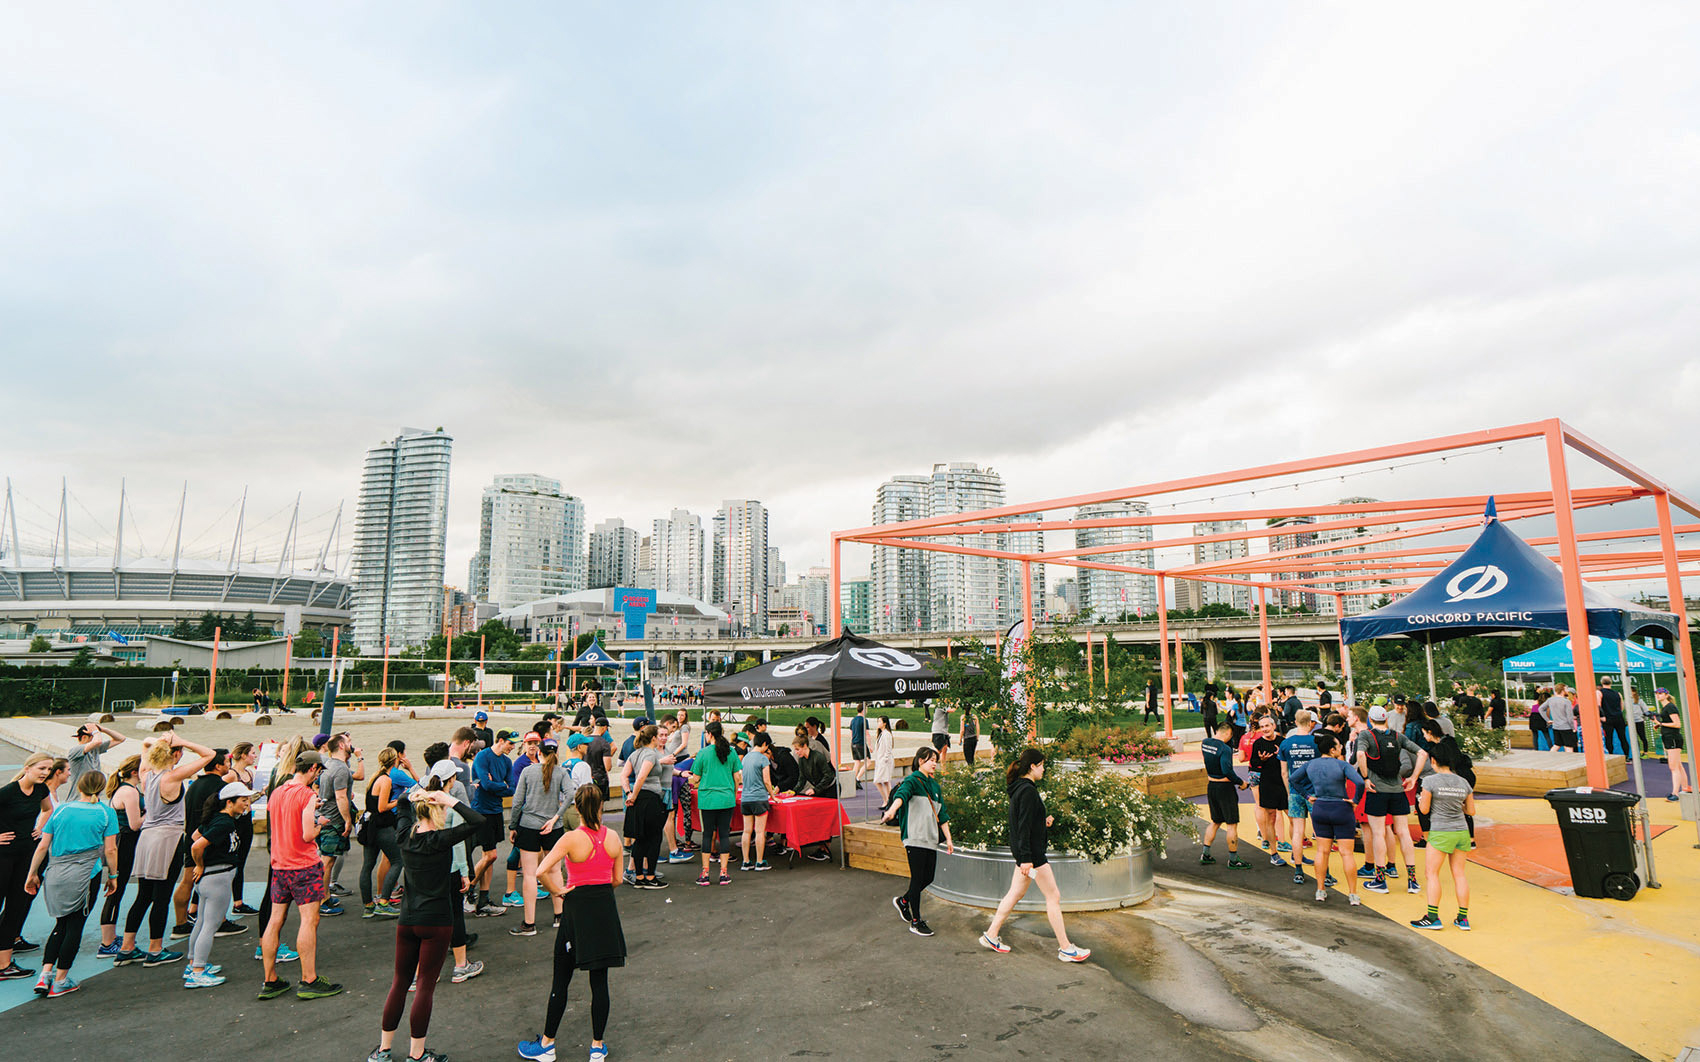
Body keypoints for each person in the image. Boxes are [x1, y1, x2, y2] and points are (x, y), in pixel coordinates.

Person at [368, 787, 487, 1062]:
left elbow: (400, 804)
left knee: (400, 982)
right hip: (437, 920)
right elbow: (478, 821)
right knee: (424, 986)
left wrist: (413, 794)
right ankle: (416, 1053)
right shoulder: (442, 839)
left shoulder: (404, 836)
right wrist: (450, 799)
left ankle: (383, 1050)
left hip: (408, 919)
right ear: (438, 811)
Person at [519, 786, 627, 1062]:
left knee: (562, 977)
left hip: (576, 908)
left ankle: (547, 1044)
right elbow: (617, 879)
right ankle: (597, 1046)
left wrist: (558, 890)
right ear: (602, 806)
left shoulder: (570, 838)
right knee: (599, 981)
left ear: (576, 808)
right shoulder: (613, 837)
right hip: (604, 907)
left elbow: (540, 871)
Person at [979, 749, 1090, 962]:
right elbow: (1022, 827)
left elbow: (1026, 821)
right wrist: (1027, 859)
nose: (1043, 769)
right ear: (1032, 766)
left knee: (1014, 894)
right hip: (1032, 855)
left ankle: (991, 935)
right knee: (1053, 896)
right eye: (1041, 765)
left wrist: (1042, 821)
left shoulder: (1020, 788)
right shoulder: (1028, 791)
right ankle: (1066, 948)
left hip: (1025, 854)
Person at [116, 734, 215, 967]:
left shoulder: (146, 775)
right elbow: (209, 755)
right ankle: (155, 948)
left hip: (146, 838)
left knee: (143, 895)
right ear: (176, 754)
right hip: (167, 839)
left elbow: (144, 745)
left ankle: (127, 947)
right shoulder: (172, 776)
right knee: (161, 896)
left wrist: (159, 741)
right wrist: (185, 741)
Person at [258, 750, 342, 1001]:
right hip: (303, 865)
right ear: (314, 769)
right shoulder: (307, 795)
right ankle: (309, 978)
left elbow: (280, 820)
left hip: (279, 864)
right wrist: (321, 824)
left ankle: (270, 979)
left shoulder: (278, 791)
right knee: (309, 920)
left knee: (275, 921)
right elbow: (307, 835)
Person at [183, 780, 256, 988]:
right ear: (229, 802)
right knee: (210, 925)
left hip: (209, 880)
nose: (247, 804)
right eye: (243, 800)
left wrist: (201, 865)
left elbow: (195, 834)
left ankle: (193, 963)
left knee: (201, 922)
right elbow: (197, 844)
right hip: (218, 878)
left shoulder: (216, 819)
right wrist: (199, 864)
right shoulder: (224, 822)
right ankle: (197, 970)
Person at [1354, 706, 1427, 895]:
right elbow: (1422, 753)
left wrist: (1365, 777)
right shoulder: (1397, 736)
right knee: (1403, 833)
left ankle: (1380, 879)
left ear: (1370, 719)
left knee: (1378, 833)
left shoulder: (1366, 736)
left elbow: (1360, 754)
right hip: (1397, 790)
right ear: (1386, 719)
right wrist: (1413, 777)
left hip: (1377, 790)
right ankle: (1412, 880)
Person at [881, 747, 952, 937]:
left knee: (929, 877)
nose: (934, 763)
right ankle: (916, 921)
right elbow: (901, 796)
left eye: (936, 760)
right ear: (920, 761)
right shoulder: (912, 781)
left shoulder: (935, 787)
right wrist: (892, 811)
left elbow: (942, 814)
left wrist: (949, 839)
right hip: (914, 837)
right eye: (931, 760)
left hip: (930, 839)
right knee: (918, 878)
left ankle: (903, 902)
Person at [1288, 732, 1363, 905]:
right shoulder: (1342, 765)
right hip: (1341, 808)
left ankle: (1320, 890)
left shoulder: (1311, 765)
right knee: (1346, 853)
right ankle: (1353, 894)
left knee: (1322, 851)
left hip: (1320, 807)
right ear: (1332, 749)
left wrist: (1307, 796)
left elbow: (1293, 779)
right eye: (1338, 746)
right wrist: (1355, 801)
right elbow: (1359, 782)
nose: (1341, 748)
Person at [0, 755, 56, 979]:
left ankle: (4, 965)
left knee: (16, 907)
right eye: (41, 768)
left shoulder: (41, 791)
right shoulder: (7, 793)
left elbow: (48, 810)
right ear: (27, 768)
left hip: (27, 856)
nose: (45, 773)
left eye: (49, 769)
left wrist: (41, 827)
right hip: (3, 856)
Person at [1410, 743, 1476, 931]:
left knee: (1432, 874)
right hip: (1461, 832)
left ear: (1433, 761)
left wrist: (1422, 799)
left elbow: (1424, 809)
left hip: (1440, 831)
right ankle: (1463, 919)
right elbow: (1471, 811)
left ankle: (1432, 917)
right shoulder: (1463, 782)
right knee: (1460, 874)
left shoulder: (1430, 781)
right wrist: (1457, 805)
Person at [509, 738, 572, 935]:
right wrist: (555, 818)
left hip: (529, 825)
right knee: (554, 871)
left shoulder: (528, 771)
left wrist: (513, 825)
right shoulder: (562, 772)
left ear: (539, 752)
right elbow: (570, 795)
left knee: (529, 874)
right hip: (552, 828)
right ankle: (559, 915)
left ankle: (529, 923)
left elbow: (518, 801)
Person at [97, 756, 145, 954]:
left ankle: (109, 938)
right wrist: (154, 812)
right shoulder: (128, 791)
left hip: (125, 842)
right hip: (125, 843)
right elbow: (134, 824)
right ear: (135, 772)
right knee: (117, 889)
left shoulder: (129, 790)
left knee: (118, 890)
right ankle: (107, 943)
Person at [470, 730, 515, 915]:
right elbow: (485, 786)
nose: (513, 747)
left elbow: (511, 788)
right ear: (502, 741)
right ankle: (467, 888)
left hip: (496, 811)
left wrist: (500, 786)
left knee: (488, 856)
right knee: (491, 855)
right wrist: (501, 785)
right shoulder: (483, 757)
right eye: (511, 744)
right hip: (481, 811)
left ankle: (483, 899)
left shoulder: (506, 762)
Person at [621, 726, 668, 889]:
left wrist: (629, 792)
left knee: (640, 838)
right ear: (654, 738)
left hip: (638, 798)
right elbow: (642, 775)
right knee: (654, 838)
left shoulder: (635, 753)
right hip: (649, 798)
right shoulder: (650, 754)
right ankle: (651, 876)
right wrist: (633, 794)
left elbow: (624, 775)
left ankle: (640, 876)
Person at [1199, 720, 1251, 868]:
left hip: (1211, 786)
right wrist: (1241, 783)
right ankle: (1233, 859)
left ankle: (1205, 853)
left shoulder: (1205, 743)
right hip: (1224, 787)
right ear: (1228, 733)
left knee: (1215, 821)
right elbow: (1227, 770)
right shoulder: (1225, 749)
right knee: (1231, 824)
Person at [1277, 711, 1320, 885]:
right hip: (1315, 792)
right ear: (1311, 723)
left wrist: (1289, 792)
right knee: (1321, 833)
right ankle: (1326, 872)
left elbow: (1284, 772)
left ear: (1295, 722)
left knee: (1297, 831)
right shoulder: (1317, 743)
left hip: (1295, 791)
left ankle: (1299, 869)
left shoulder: (1286, 743)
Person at [1248, 714, 1288, 864]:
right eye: (1262, 726)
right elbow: (1253, 763)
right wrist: (1262, 760)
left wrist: (1280, 756)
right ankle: (1274, 853)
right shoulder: (1258, 743)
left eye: (1267, 726)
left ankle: (1296, 852)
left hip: (1283, 783)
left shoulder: (1282, 742)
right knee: (1270, 818)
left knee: (1293, 817)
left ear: (1273, 726)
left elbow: (1289, 761)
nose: (1264, 729)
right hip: (1267, 784)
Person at [738, 735, 775, 872]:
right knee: (760, 831)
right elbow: (767, 781)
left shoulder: (746, 758)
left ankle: (746, 861)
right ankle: (759, 862)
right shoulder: (763, 759)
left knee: (746, 831)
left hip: (745, 798)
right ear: (764, 744)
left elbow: (741, 776)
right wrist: (773, 795)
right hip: (759, 798)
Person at [64, 721, 125, 800]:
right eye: (94, 736)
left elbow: (121, 739)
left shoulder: (95, 749)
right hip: (77, 799)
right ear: (84, 737)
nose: (97, 737)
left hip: (94, 798)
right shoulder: (75, 751)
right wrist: (96, 732)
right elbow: (97, 741)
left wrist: (104, 730)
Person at [1654, 688, 1691, 801]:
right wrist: (1659, 725)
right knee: (1678, 765)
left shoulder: (1670, 707)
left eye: (1660, 694)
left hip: (1673, 738)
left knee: (1673, 766)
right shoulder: (1665, 708)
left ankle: (1675, 793)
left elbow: (1677, 724)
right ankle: (1685, 787)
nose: (1658, 695)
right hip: (1669, 738)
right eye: (1657, 694)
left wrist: (1660, 723)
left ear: (1666, 695)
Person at [1598, 677, 1630, 758]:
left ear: (1602, 683)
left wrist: (1602, 717)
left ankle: (1610, 756)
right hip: (1619, 718)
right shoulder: (1618, 693)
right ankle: (1627, 757)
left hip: (1607, 718)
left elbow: (1598, 706)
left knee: (1609, 738)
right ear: (1611, 683)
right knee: (1623, 738)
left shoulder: (1599, 693)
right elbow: (1621, 707)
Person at [1544, 685, 1578, 751]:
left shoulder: (1551, 700)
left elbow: (1541, 709)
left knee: (1557, 745)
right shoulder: (1567, 701)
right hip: (1566, 726)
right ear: (1562, 690)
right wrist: (1572, 727)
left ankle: (1550, 757)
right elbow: (1569, 716)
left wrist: (1547, 720)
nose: (1567, 691)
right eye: (1566, 689)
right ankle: (1569, 760)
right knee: (1569, 746)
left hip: (1556, 726)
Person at [872, 715, 896, 803]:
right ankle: (888, 800)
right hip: (881, 760)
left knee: (878, 781)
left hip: (884, 761)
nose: (878, 723)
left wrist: (884, 760)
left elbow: (888, 749)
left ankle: (886, 800)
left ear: (885, 723)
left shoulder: (886, 734)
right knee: (886, 781)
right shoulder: (881, 734)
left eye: (880, 721)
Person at [850, 705, 870, 788]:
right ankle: (857, 778)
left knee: (857, 762)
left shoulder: (853, 720)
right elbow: (867, 734)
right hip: (861, 743)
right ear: (864, 710)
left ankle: (852, 780)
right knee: (868, 762)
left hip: (853, 743)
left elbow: (851, 734)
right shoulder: (864, 720)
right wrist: (870, 746)